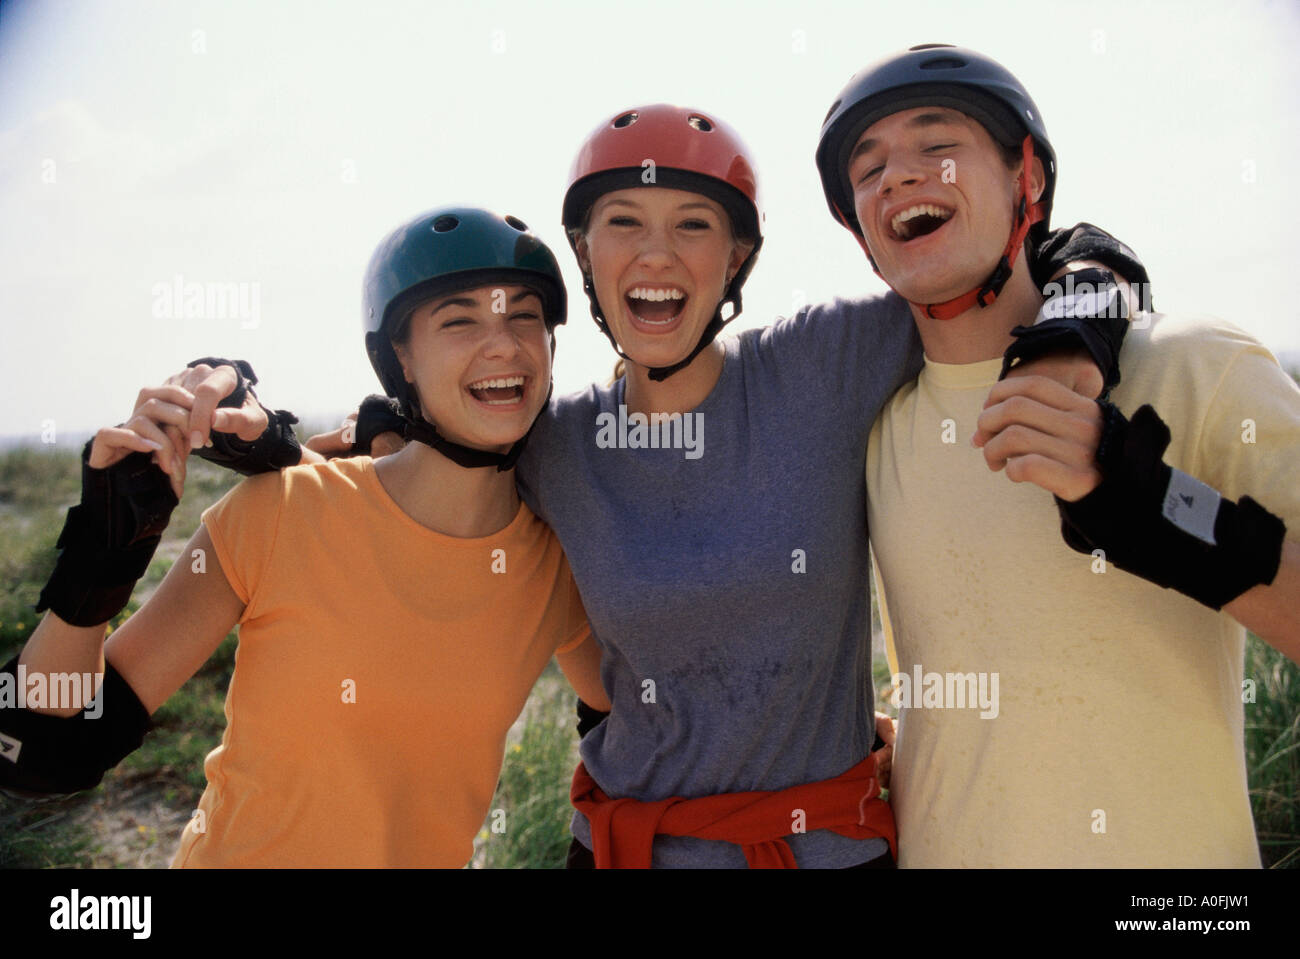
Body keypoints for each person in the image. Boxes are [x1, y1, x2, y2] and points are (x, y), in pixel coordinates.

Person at [290, 104, 1145, 867]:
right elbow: (432, 451)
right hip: (622, 847)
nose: (656, 252)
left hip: (821, 851)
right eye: (622, 222)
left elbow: (1012, 265)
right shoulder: (557, 445)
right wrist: (364, 423)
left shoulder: (821, 365)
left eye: (693, 225)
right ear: (585, 254)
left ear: (737, 257)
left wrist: (1084, 316)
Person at [0, 206, 609, 867]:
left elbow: (632, 717)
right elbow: (48, 750)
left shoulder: (553, 564)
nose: (504, 344)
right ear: (398, 355)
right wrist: (97, 567)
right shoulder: (283, 508)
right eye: (459, 318)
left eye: (525, 315)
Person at [814, 43, 1300, 866]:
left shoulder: (1195, 364)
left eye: (938, 144)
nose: (897, 177)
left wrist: (1142, 504)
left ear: (1026, 178)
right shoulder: (871, 425)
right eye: (869, 169)